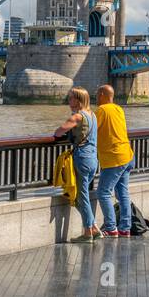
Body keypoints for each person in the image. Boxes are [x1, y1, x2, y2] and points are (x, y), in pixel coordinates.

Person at [54, 86, 101, 240]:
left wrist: (63, 132)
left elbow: (58, 131)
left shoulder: (78, 117)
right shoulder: (92, 115)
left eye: (71, 97)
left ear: (79, 100)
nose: (69, 100)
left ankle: (88, 232)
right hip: (93, 159)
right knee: (82, 194)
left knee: (82, 196)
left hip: (81, 158)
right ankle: (93, 227)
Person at [94, 84, 134, 237]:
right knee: (123, 193)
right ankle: (125, 228)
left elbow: (90, 129)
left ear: (103, 94)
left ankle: (111, 228)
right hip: (127, 155)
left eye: (98, 95)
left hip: (114, 158)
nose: (96, 98)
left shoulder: (102, 110)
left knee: (103, 192)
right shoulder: (119, 109)